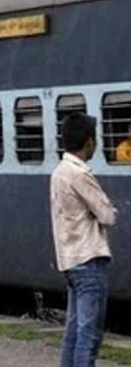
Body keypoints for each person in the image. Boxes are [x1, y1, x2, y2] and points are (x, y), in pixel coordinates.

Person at [51, 113, 118, 367]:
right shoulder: (79, 174)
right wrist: (106, 210)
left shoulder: (58, 172)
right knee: (89, 337)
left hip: (70, 261)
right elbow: (108, 215)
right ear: (89, 141)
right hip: (89, 260)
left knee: (73, 335)